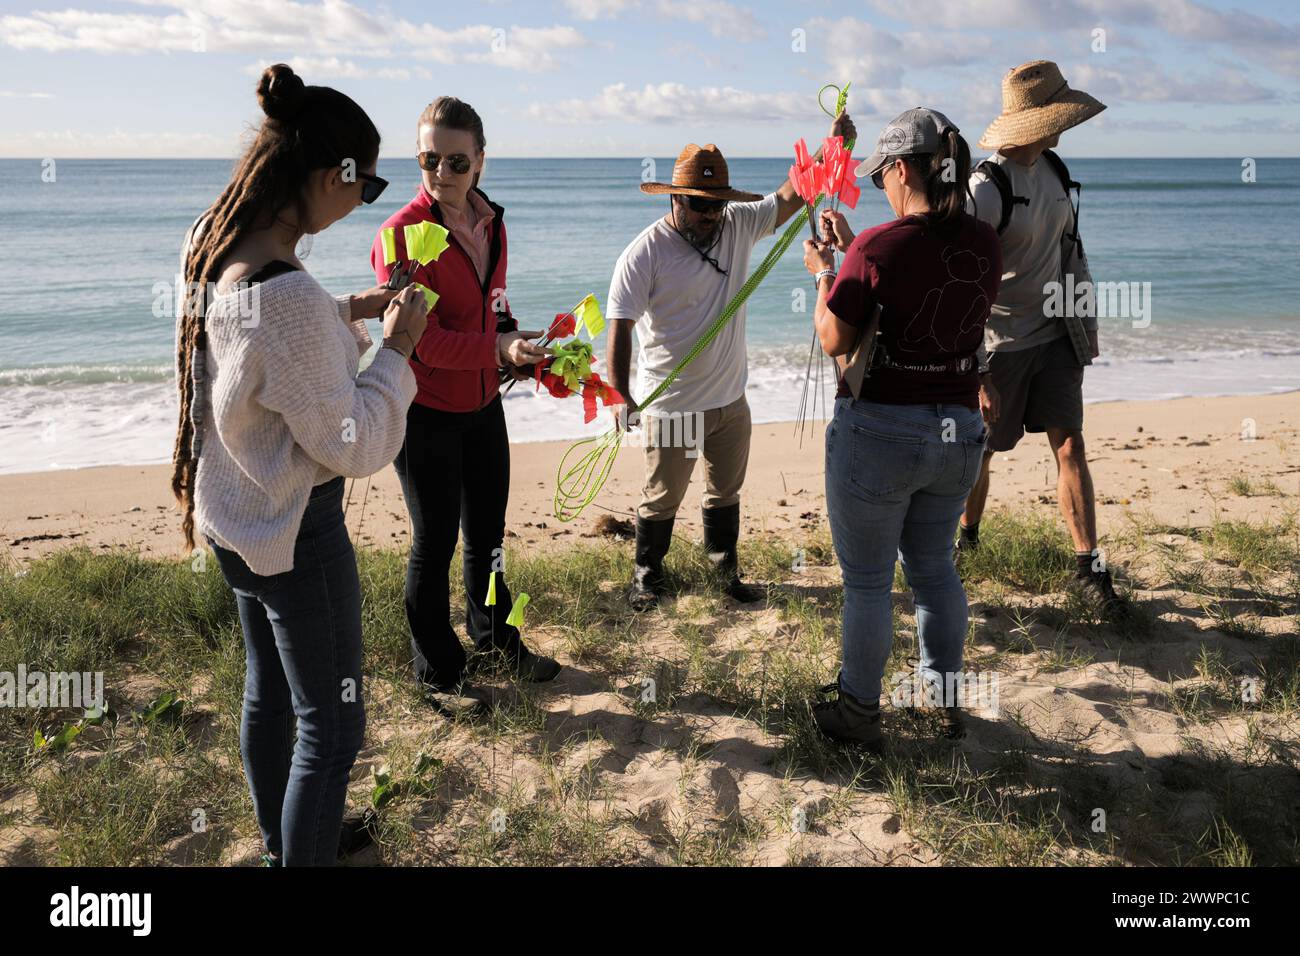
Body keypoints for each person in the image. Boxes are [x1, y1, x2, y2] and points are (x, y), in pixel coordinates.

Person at [173, 64, 426, 865]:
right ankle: (303, 852)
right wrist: (398, 351)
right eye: (367, 186)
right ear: (329, 176)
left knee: (269, 694)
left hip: (235, 516)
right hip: (295, 531)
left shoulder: (215, 244)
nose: (365, 203)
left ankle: (287, 842)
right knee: (334, 722)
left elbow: (256, 364)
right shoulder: (284, 298)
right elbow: (354, 442)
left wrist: (342, 310)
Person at [802, 109, 1002, 748]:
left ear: (906, 169)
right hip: (957, 432)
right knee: (935, 570)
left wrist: (824, 272)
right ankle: (942, 700)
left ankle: (859, 711)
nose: (882, 182)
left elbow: (837, 336)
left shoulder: (877, 249)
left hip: (882, 432)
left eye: (885, 171)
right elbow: (925, 281)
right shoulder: (984, 241)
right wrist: (858, 248)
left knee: (867, 582)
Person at [607, 110, 855, 611]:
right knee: (662, 498)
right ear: (675, 198)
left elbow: (792, 195)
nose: (709, 214)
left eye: (716, 204)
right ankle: (647, 577)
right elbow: (620, 328)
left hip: (731, 400)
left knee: (725, 493)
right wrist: (621, 394)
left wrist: (833, 150)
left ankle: (724, 574)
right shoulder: (644, 253)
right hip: (673, 406)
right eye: (699, 205)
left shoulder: (737, 222)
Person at [371, 96, 558, 719]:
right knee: (434, 543)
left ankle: (499, 642)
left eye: (456, 160)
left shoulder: (492, 222)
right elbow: (419, 340)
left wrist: (524, 347)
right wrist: (499, 348)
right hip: (423, 410)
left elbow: (492, 306)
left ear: (480, 161)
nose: (442, 173)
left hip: (482, 402)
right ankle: (438, 673)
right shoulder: (399, 236)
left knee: (488, 537)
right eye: (429, 159)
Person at [959, 60, 1123, 613]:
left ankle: (1089, 570)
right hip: (1000, 344)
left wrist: (1085, 323)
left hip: (1055, 335)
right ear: (1041, 120)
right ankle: (967, 540)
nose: (1066, 125)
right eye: (1060, 114)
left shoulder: (1054, 169)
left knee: (1071, 444)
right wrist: (977, 368)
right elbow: (958, 283)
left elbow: (1069, 253)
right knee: (982, 453)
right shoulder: (984, 189)